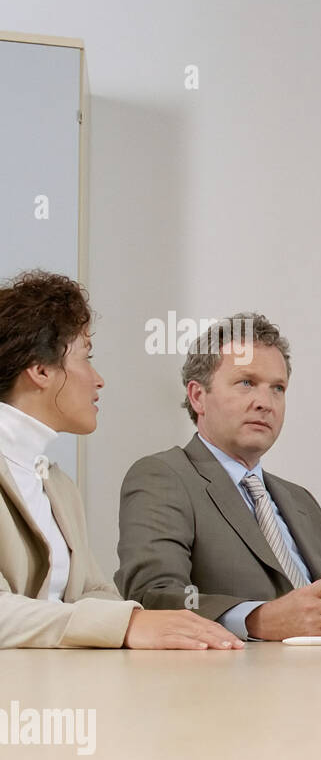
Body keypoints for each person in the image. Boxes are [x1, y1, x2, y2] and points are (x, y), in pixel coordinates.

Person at [0, 269, 241, 650]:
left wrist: (144, 624)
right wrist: (126, 624)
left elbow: (93, 592)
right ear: (41, 370)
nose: (98, 379)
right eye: (86, 356)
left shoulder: (55, 484)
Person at [116, 313, 321, 640]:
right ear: (198, 396)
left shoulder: (301, 500)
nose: (265, 403)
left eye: (278, 388)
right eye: (246, 383)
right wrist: (255, 619)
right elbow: (152, 597)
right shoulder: (163, 476)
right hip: (230, 684)